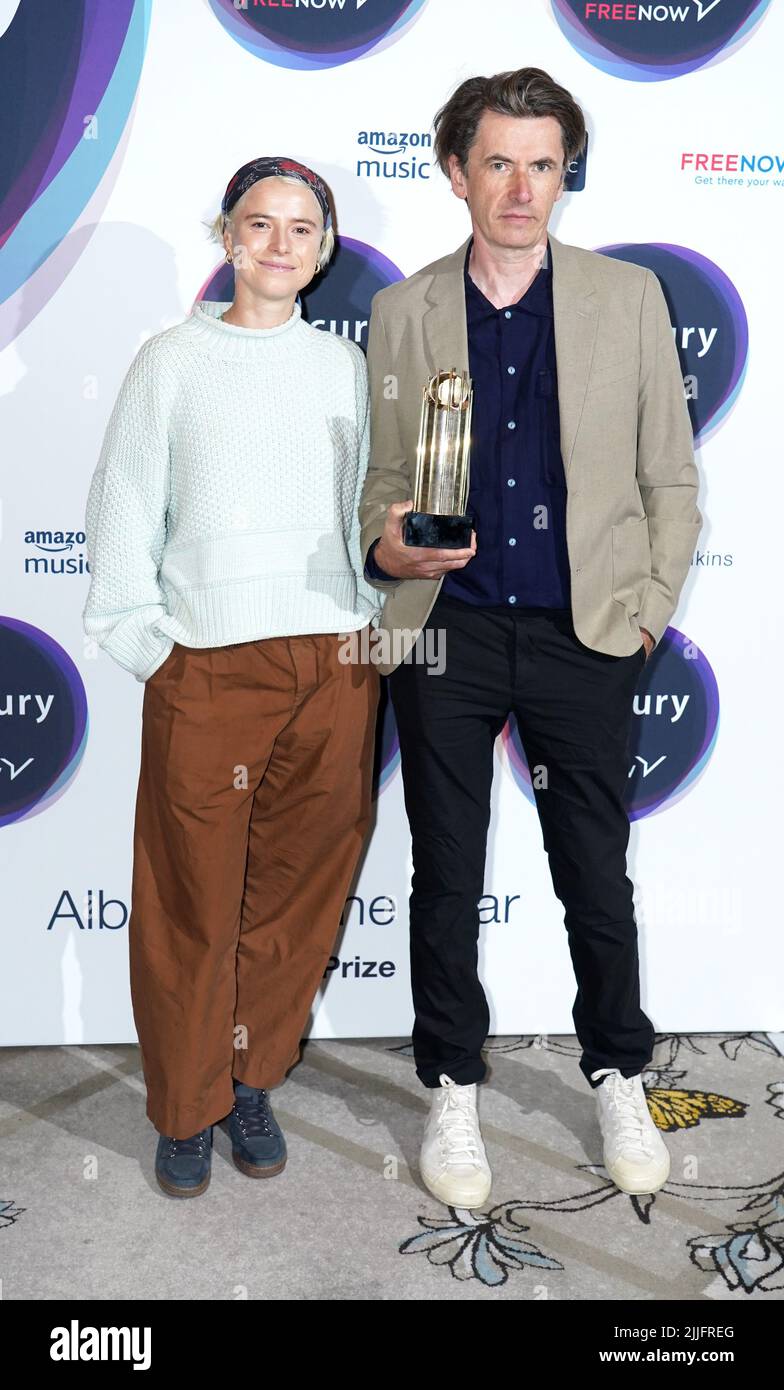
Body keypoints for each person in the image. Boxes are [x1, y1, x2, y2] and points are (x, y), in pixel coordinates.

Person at [359, 68, 703, 1209]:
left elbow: (670, 476)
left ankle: (616, 1066)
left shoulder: (627, 297)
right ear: (456, 171)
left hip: (582, 634)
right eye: (497, 162)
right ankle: (451, 1084)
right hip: (444, 633)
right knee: (444, 874)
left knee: (593, 875)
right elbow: (379, 485)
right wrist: (391, 544)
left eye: (542, 163)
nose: (520, 188)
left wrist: (646, 608)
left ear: (567, 172)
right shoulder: (401, 309)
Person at [82, 156, 381, 1198]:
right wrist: (150, 647)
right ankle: (185, 1105)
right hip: (207, 665)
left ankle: (251, 1074)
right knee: (191, 903)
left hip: (334, 663)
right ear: (226, 236)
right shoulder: (169, 360)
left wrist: (374, 626)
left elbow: (362, 521)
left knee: (296, 896)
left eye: (302, 229)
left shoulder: (346, 370)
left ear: (324, 250)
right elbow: (123, 508)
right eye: (260, 224)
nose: (279, 245)